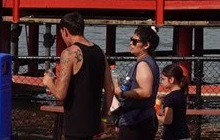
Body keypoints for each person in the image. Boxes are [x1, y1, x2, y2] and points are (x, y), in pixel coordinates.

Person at [42, 12, 113, 140]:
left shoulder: (69, 53)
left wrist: (49, 82)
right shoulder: (99, 51)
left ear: (65, 31)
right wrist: (103, 118)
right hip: (94, 122)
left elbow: (60, 93)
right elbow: (110, 89)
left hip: (76, 125)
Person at [115, 25, 161, 140]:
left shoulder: (143, 64)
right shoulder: (146, 62)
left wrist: (121, 93)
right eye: (131, 40)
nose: (131, 43)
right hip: (139, 118)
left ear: (146, 45)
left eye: (135, 41)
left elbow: (146, 92)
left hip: (138, 120)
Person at [158, 63, 190, 140]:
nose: (161, 82)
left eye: (163, 79)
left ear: (171, 80)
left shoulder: (169, 98)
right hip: (184, 135)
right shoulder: (182, 94)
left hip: (171, 135)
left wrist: (155, 115)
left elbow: (167, 120)